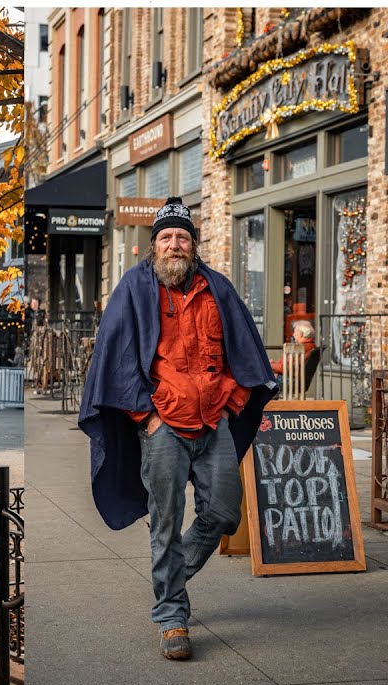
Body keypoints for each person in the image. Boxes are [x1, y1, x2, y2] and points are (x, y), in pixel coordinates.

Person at [79, 197, 276, 661]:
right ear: (154, 246)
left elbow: (244, 353)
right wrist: (146, 417)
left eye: (182, 237)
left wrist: (234, 402)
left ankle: (169, 579)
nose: (174, 244)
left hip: (214, 420)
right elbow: (117, 358)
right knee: (165, 521)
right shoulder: (134, 287)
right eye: (166, 237)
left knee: (225, 511)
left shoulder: (217, 288)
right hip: (164, 424)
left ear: (193, 245)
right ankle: (171, 617)